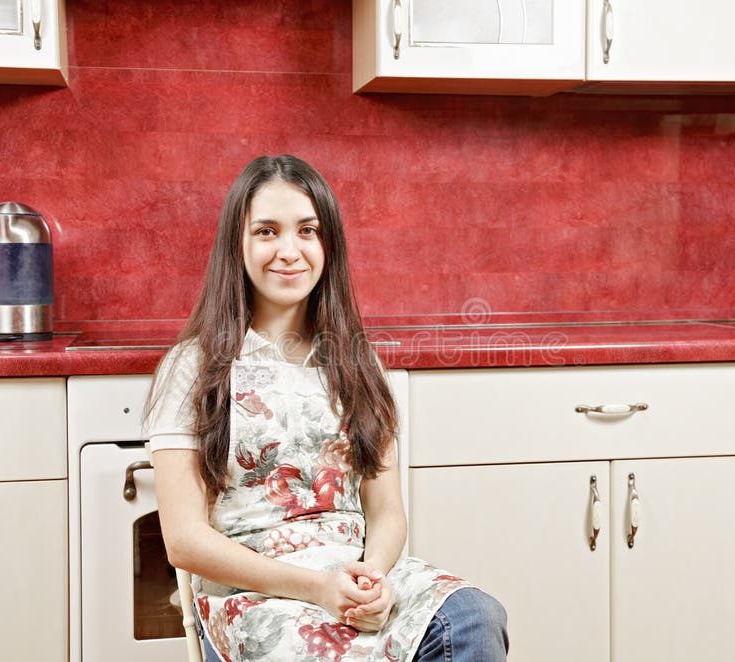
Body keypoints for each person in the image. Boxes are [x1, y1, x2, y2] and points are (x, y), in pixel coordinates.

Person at [144, 154, 508, 661]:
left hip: (350, 573)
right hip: (255, 593)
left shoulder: (358, 363)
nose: (288, 250)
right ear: (237, 245)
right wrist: (316, 588)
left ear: (327, 243)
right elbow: (184, 541)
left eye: (307, 230)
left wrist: (372, 578)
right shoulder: (194, 367)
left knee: (472, 617)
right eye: (267, 231)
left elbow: (386, 512)